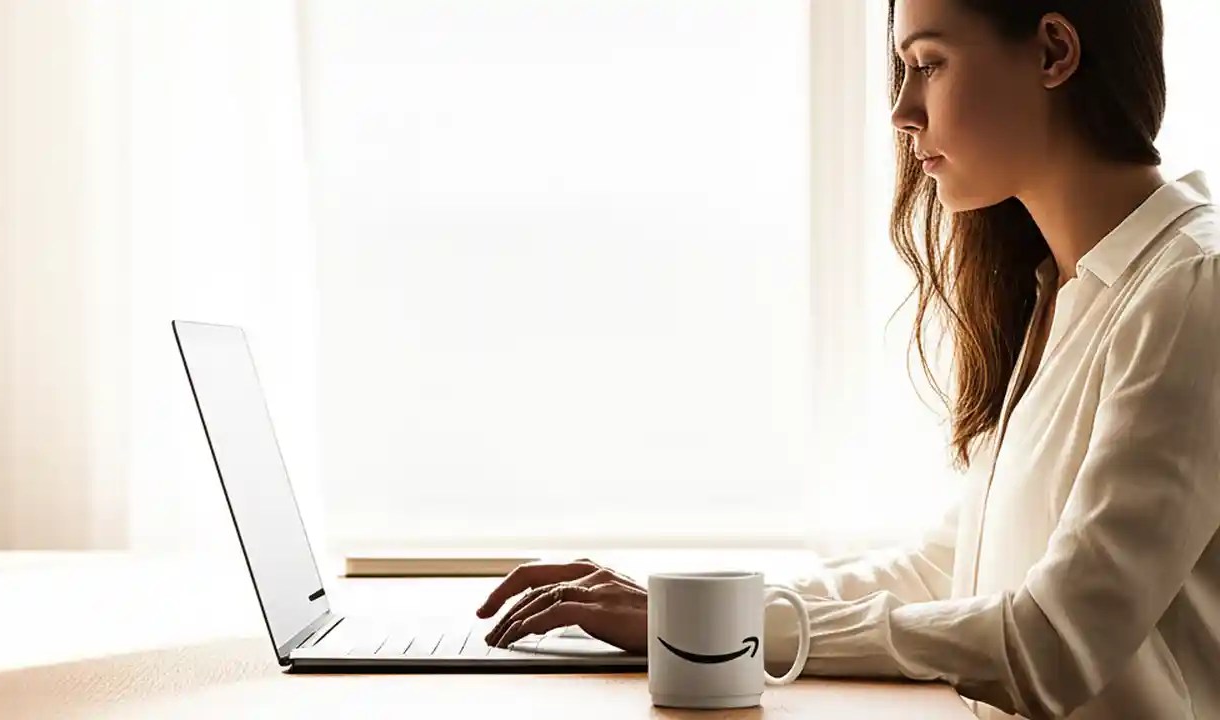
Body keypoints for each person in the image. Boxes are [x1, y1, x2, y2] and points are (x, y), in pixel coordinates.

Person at [473, 0, 1220, 717]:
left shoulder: (1192, 288)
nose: (902, 111)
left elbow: (1053, 642)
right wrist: (687, 606)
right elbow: (945, 568)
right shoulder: (1065, 289)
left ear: (1054, 52)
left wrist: (715, 630)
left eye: (929, 63)